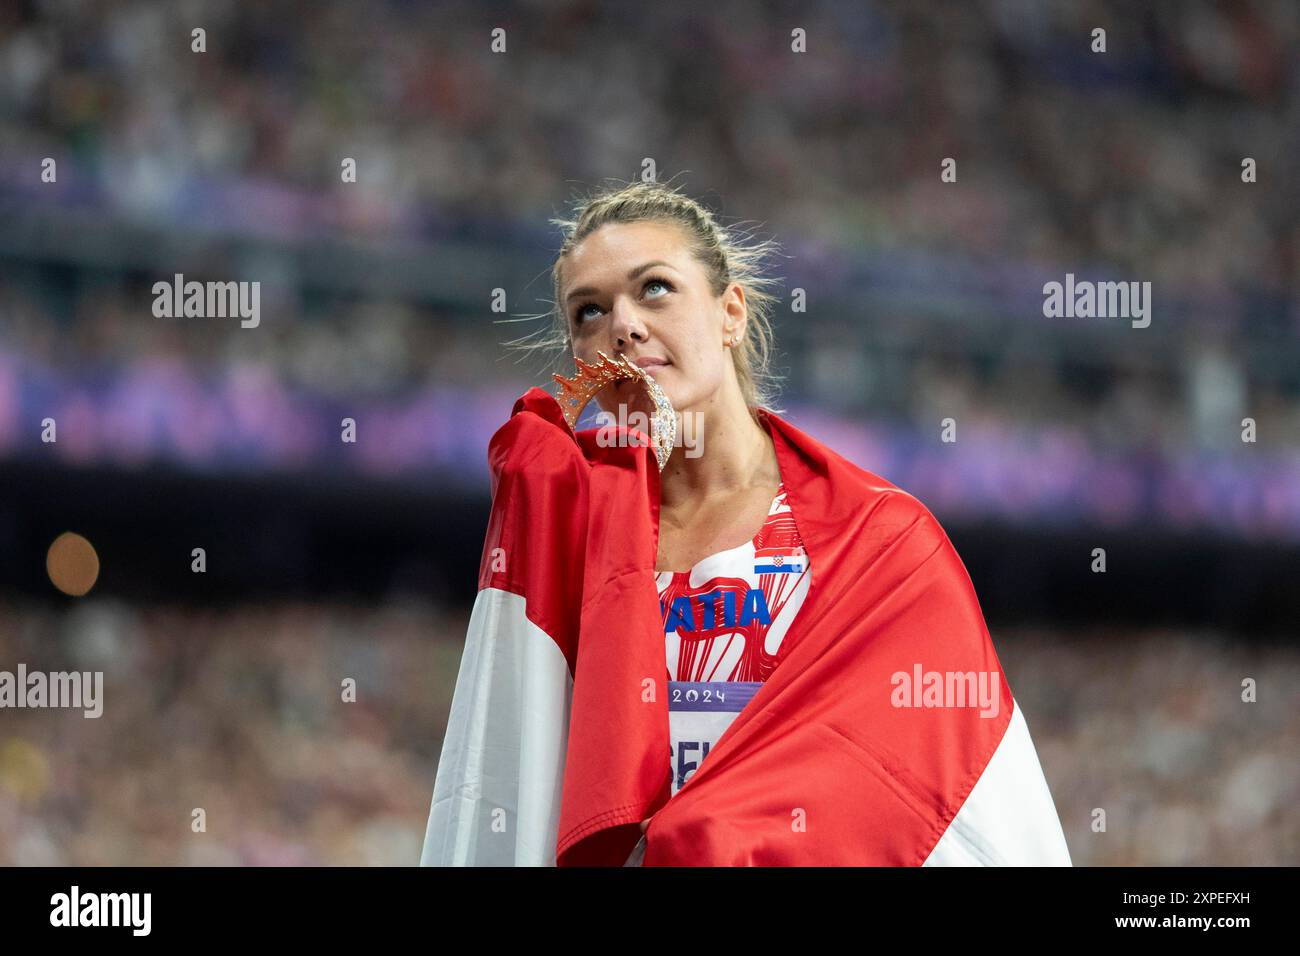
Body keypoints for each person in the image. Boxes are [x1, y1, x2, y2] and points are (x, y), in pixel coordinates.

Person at [423, 180, 1071, 866]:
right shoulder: (562, 548)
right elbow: (515, 780)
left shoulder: (881, 542)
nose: (623, 326)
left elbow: (912, 798)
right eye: (589, 312)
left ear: (730, 312)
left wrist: (704, 836)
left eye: (654, 289)